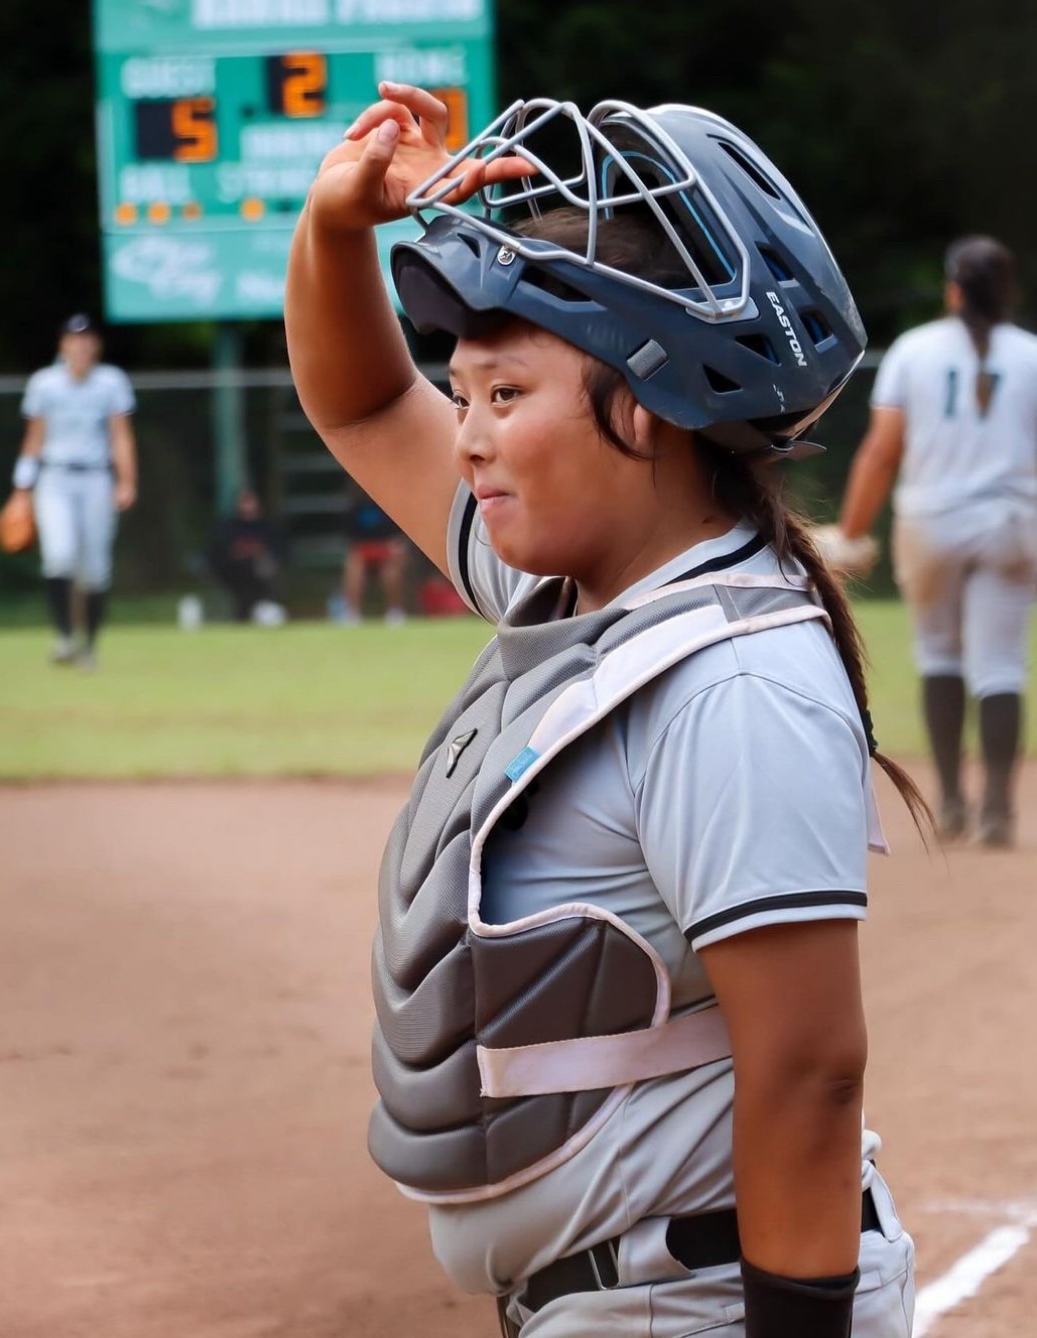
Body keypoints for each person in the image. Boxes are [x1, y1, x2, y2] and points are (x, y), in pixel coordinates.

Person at [286, 84, 928, 1338]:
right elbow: (361, 404)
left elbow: (809, 1073)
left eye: (508, 396)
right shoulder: (578, 593)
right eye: (463, 394)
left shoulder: (736, 681)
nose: (466, 436)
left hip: (696, 1308)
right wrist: (333, 227)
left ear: (645, 404)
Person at [836, 237, 1037, 847]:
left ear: (953, 290)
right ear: (1007, 293)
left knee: (939, 655)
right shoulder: (1031, 355)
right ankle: (999, 810)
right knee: (1001, 664)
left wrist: (851, 530)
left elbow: (881, 452)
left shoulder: (914, 352)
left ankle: (948, 804)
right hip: (1012, 522)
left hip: (931, 522)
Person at [8, 313, 137, 669]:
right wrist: (21, 488)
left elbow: (121, 436)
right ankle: (65, 637)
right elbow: (34, 440)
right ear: (63, 344)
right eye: (74, 338)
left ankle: (90, 646)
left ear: (96, 344)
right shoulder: (45, 384)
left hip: (96, 478)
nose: (81, 344)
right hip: (55, 478)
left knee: (95, 569)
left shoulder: (111, 382)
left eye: (87, 338)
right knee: (60, 556)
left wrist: (127, 481)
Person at [207, 486, 287, 624]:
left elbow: (280, 551)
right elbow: (218, 552)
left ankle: (261, 610)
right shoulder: (227, 527)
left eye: (251, 501)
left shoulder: (269, 527)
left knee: (264, 569)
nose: (248, 506)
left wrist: (259, 553)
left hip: (261, 572)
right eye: (245, 501)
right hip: (234, 571)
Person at [337, 479, 409, 625]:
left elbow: (398, 538)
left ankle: (395, 611)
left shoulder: (390, 506)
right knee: (353, 564)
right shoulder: (354, 509)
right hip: (363, 553)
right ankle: (352, 613)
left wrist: (394, 547)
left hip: (386, 553)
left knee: (391, 569)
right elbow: (351, 541)